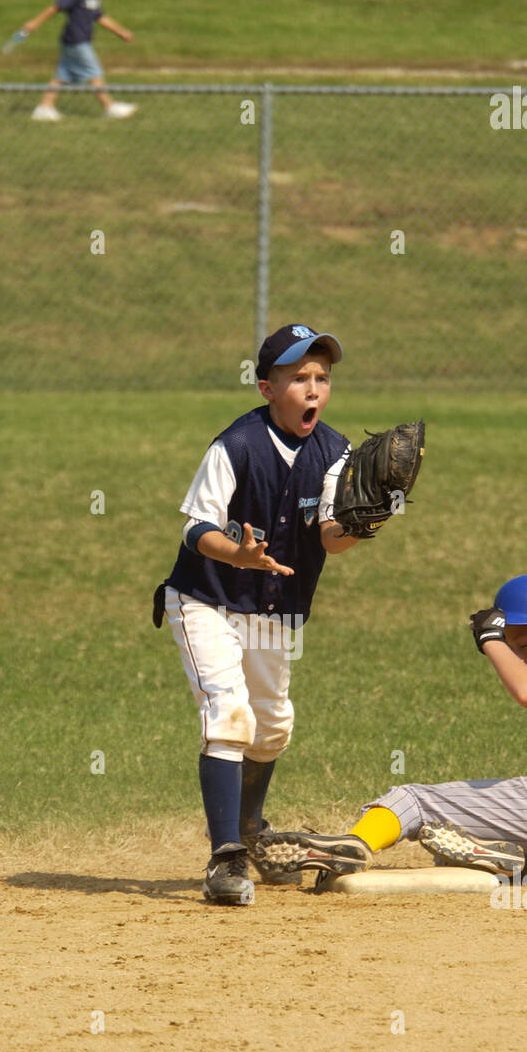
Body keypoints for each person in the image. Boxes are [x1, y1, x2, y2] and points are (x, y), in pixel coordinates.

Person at [155, 323, 386, 906]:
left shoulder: (336, 452)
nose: (313, 390)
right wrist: (242, 555)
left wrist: (366, 523)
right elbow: (196, 528)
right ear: (266, 387)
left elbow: (331, 538)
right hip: (205, 599)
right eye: (299, 378)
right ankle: (225, 856)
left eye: (322, 378)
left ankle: (251, 831)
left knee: (273, 726)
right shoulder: (235, 446)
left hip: (273, 609)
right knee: (228, 714)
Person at [254, 573, 527, 889]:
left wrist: (490, 641)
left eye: (523, 645)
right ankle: (492, 856)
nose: (515, 656)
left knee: (413, 800)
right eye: (510, 646)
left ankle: (354, 845)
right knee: (451, 847)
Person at [19, 0, 137, 121]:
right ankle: (109, 107)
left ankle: (45, 107)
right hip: (76, 40)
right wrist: (34, 22)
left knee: (62, 75)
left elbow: (98, 16)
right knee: (94, 72)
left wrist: (120, 31)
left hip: (79, 40)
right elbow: (56, 7)